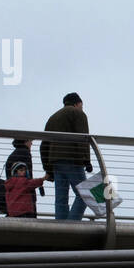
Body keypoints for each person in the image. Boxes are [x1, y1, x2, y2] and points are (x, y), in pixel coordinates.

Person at [40, 93, 92, 221]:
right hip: (73, 159)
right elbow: (82, 138)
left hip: (56, 162)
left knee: (61, 199)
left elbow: (44, 145)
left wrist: (48, 168)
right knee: (85, 196)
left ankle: (60, 229)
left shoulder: (52, 118)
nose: (82, 108)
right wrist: (87, 161)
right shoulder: (78, 114)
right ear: (77, 103)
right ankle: (71, 227)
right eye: (82, 105)